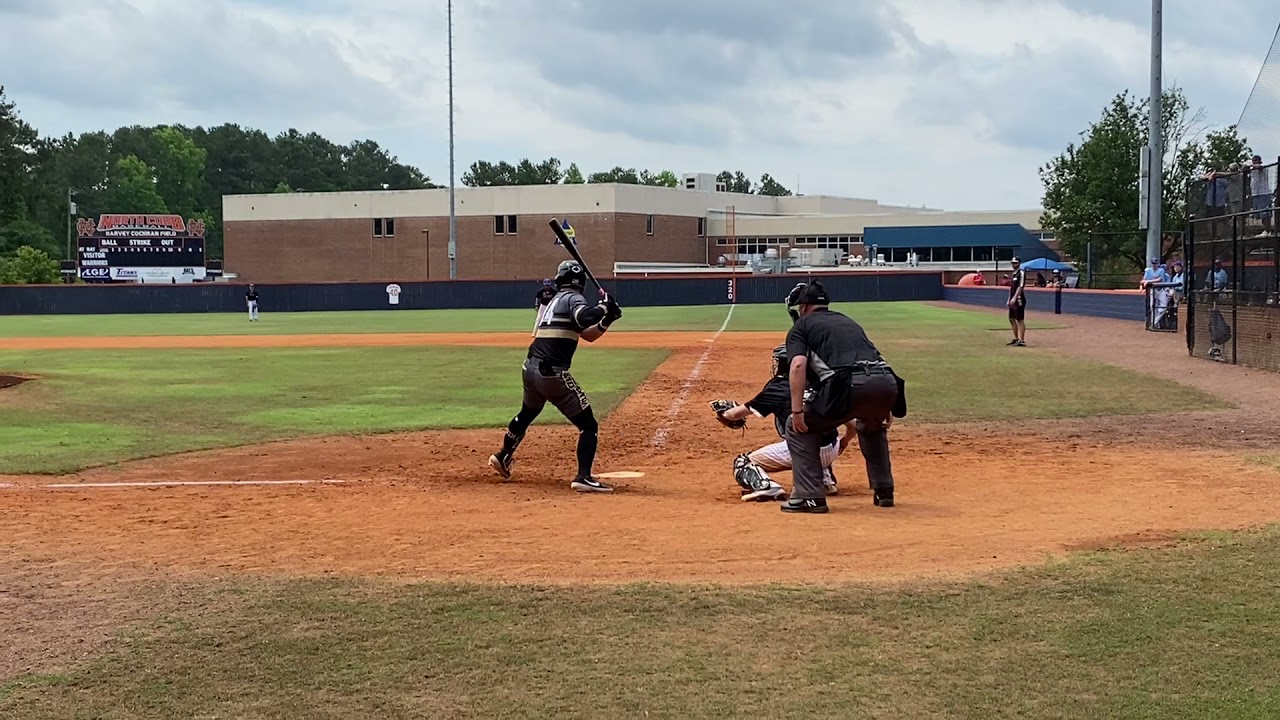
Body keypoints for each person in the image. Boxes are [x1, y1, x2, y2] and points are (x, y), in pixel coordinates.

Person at [489, 259, 623, 493]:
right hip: (551, 372)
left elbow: (588, 335)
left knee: (528, 412)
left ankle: (503, 455)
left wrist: (607, 319)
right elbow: (585, 317)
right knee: (588, 425)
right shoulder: (574, 298)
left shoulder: (556, 300)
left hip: (530, 368)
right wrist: (604, 307)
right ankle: (583, 477)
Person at [780, 281, 903, 514]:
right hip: (886, 382)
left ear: (804, 306)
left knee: (797, 427)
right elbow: (874, 358)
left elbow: (797, 366)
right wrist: (883, 406)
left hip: (849, 385)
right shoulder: (848, 321)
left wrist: (797, 412)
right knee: (870, 424)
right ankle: (884, 490)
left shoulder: (802, 326)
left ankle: (810, 497)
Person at [710, 345, 847, 502]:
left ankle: (766, 487)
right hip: (832, 448)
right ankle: (825, 481)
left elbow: (733, 415)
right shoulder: (822, 383)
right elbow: (852, 422)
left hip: (804, 451)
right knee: (817, 434)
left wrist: (723, 412)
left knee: (743, 462)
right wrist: (844, 441)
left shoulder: (778, 387)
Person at [1006, 257, 1027, 346]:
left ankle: (1021, 340)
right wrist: (1009, 299)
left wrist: (1015, 297)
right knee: (1011, 318)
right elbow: (1011, 288)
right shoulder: (1013, 274)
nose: (1013, 264)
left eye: (1015, 263)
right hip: (1012, 298)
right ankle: (1016, 338)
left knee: (1020, 319)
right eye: (1013, 263)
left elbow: (1020, 286)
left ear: (1019, 263)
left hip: (1019, 299)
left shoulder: (1021, 273)